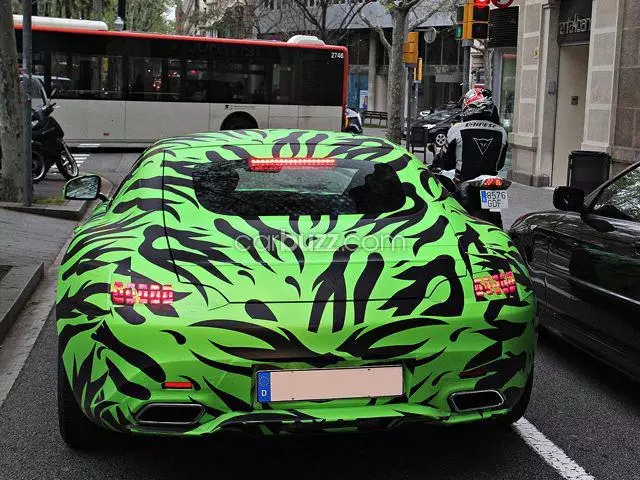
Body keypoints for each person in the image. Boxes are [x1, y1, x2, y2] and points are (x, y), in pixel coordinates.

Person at [432, 88, 507, 182]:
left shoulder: (457, 129)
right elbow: (500, 164)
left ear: (469, 106)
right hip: (491, 180)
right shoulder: (501, 131)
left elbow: (446, 161)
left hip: (463, 180)